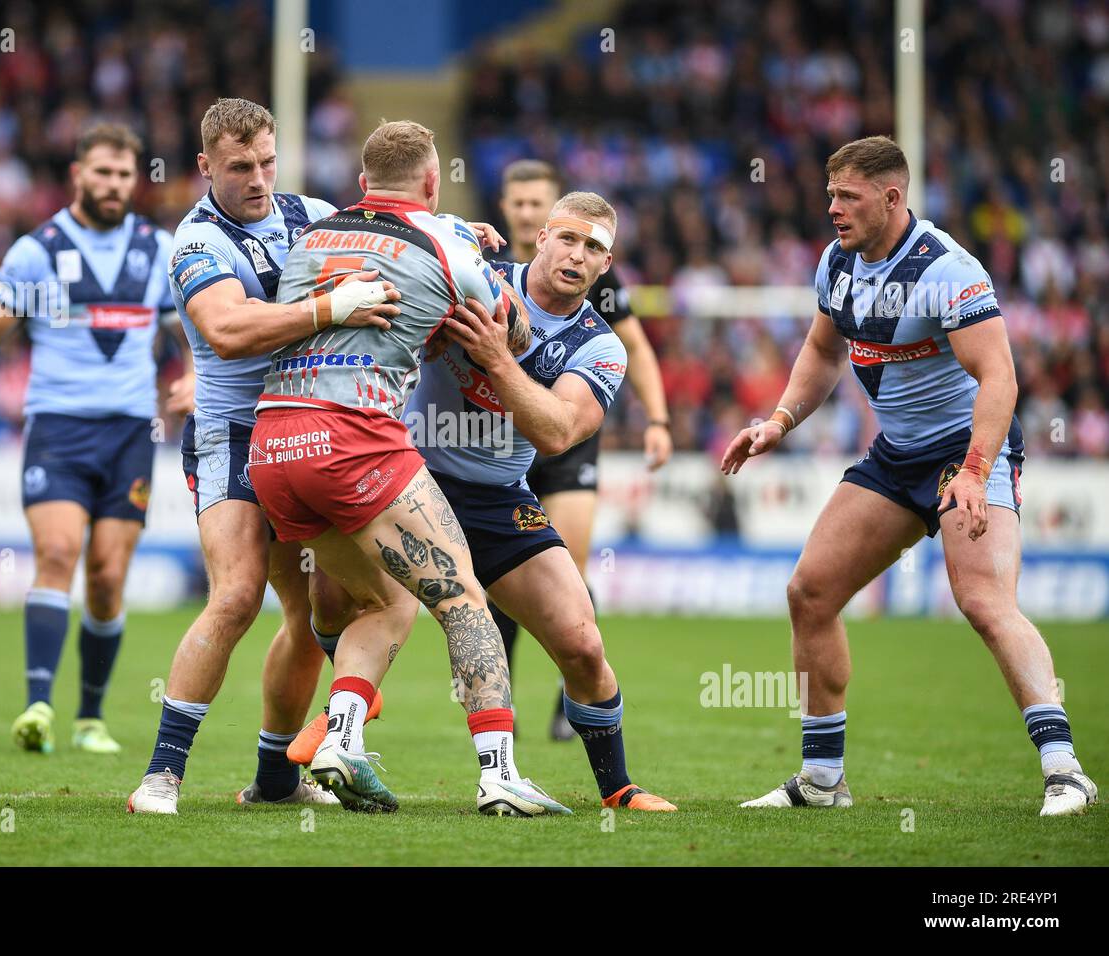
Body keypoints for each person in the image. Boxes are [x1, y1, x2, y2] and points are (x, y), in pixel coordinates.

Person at [722, 135, 1096, 817]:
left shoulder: (947, 268)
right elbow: (823, 348)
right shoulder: (836, 263)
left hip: (966, 449)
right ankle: (822, 780)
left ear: (892, 197)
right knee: (809, 591)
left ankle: (1066, 771)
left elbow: (999, 377)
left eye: (848, 196)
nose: (832, 207)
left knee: (983, 600)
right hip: (898, 454)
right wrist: (779, 420)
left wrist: (977, 471)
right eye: (830, 193)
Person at [308, 192, 679, 812]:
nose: (576, 255)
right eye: (568, 238)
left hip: (499, 497)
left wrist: (497, 359)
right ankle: (316, 744)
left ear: (606, 264)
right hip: (409, 475)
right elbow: (382, 251)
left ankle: (617, 788)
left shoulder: (600, 346)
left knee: (583, 645)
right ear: (541, 237)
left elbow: (557, 431)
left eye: (593, 249)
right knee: (338, 604)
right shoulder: (471, 278)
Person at [248, 120, 571, 816]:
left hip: (274, 443)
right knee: (461, 597)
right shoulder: (448, 243)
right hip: (355, 438)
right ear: (433, 182)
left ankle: (341, 737)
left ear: (363, 182)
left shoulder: (316, 235)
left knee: (384, 603)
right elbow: (507, 329)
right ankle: (499, 776)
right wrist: (470, 266)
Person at [127, 98, 397, 814]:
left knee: (315, 614)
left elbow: (391, 238)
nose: (258, 178)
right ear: (205, 166)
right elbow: (226, 329)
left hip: (309, 435)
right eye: (241, 166)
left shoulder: (306, 211)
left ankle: (277, 779)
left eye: (268, 161)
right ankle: (162, 775)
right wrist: (326, 310)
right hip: (234, 437)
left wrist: (459, 234)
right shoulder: (195, 242)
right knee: (237, 594)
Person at [0, 123, 183, 756]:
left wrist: (199, 380)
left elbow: (195, 335)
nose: (114, 185)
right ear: (78, 175)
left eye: (125, 175)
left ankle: (89, 717)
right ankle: (38, 705)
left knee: (106, 575)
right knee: (58, 552)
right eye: (102, 173)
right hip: (57, 430)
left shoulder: (157, 251)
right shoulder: (36, 251)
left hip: (129, 433)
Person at [495, 160, 673, 739]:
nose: (525, 212)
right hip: (489, 444)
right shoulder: (477, 269)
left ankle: (569, 694)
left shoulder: (600, 288)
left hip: (565, 441)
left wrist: (659, 419)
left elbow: (636, 348)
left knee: (562, 568)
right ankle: (502, 702)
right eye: (519, 204)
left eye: (535, 201)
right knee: (499, 579)